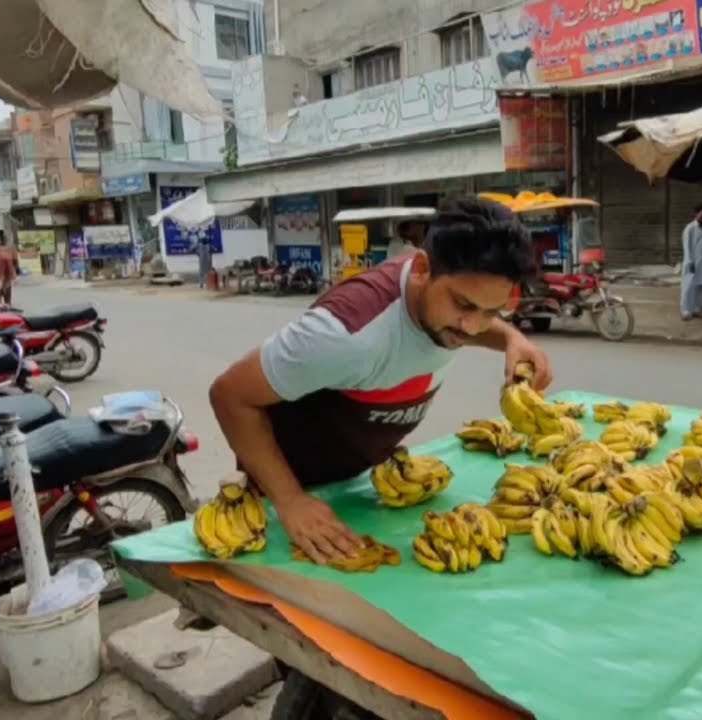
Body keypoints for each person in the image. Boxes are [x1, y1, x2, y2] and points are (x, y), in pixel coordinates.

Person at [209, 197, 551, 564]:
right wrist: (290, 501)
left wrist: (511, 339)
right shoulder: (344, 335)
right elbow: (229, 395)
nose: (472, 327)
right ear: (421, 268)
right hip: (288, 499)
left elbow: (475, 319)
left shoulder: (446, 299)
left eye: (491, 311)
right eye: (463, 305)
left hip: (356, 484)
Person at [681, 203, 702, 320]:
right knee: (689, 286)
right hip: (692, 263)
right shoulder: (690, 228)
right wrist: (690, 262)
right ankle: (686, 310)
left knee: (701, 286)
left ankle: (697, 308)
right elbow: (687, 247)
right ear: (696, 214)